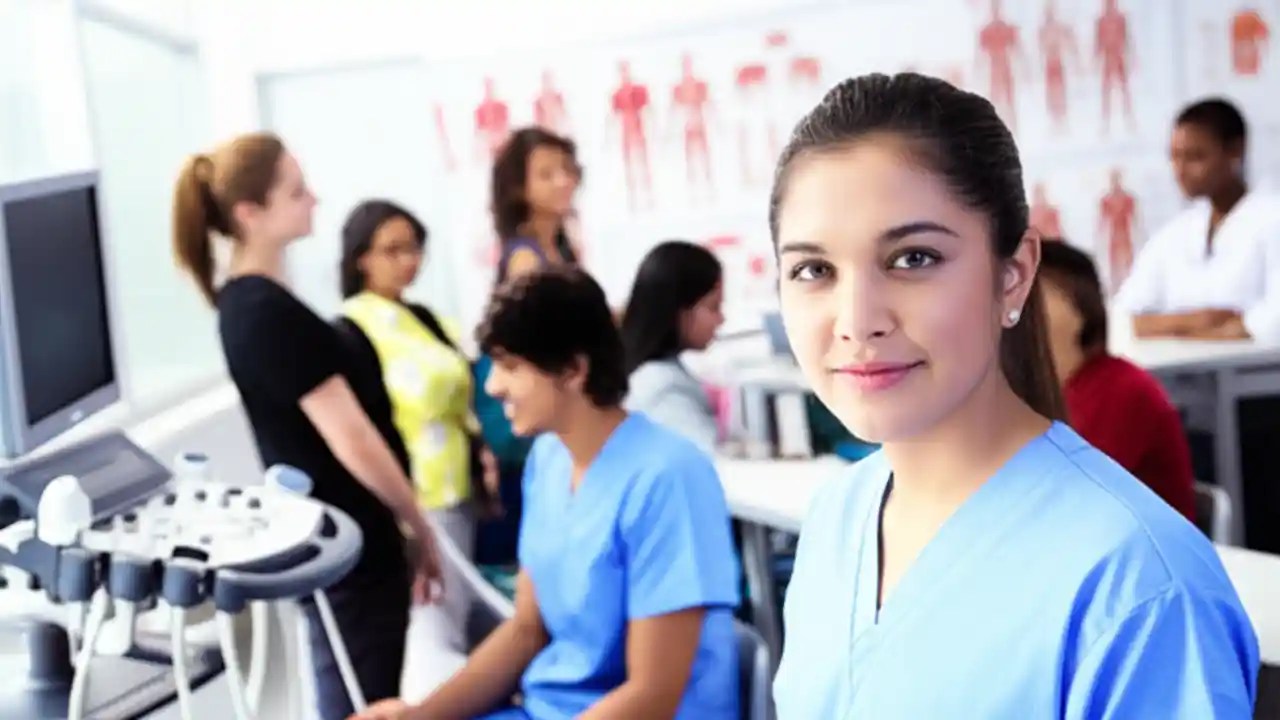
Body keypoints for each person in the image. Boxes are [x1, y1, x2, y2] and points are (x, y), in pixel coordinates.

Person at [769, 73, 1258, 717]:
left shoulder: (1138, 586)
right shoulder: (837, 518)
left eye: (913, 258)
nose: (857, 321)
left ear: (1015, 274)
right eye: (813, 270)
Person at [352, 267, 740, 720]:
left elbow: (652, 696)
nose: (493, 386)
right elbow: (526, 630)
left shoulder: (668, 477)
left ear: (573, 370)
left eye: (511, 366)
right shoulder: (549, 460)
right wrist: (418, 717)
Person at [171, 133, 443, 720]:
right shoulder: (263, 312)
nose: (314, 199)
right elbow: (353, 440)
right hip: (351, 552)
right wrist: (417, 523)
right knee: (361, 705)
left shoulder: (258, 304)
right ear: (250, 213)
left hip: (347, 543)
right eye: (296, 192)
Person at [334, 199, 500, 675]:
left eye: (414, 248)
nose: (408, 260)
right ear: (361, 257)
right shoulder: (353, 329)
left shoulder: (424, 317)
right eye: (393, 250)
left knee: (460, 610)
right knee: (437, 622)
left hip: (458, 484)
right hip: (417, 495)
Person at [473, 126, 584, 566]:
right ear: (519, 187)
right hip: (537, 418)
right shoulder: (526, 258)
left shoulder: (557, 248)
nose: (564, 181)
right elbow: (538, 341)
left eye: (567, 170)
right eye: (547, 174)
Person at [1039, 239, 1196, 522]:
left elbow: (1069, 502)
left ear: (1081, 308)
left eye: (1036, 294)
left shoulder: (1123, 390)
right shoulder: (1038, 392)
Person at [1116, 98, 1280, 341]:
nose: (1180, 170)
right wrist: (1200, 321)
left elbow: (1272, 323)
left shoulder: (1272, 218)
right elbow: (1125, 317)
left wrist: (1167, 327)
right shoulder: (1176, 233)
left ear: (1235, 151)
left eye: (1195, 157)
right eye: (1174, 157)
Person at [620, 240, 724, 451]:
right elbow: (713, 460)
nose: (721, 319)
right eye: (714, 307)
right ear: (678, 310)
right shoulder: (663, 388)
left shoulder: (656, 373)